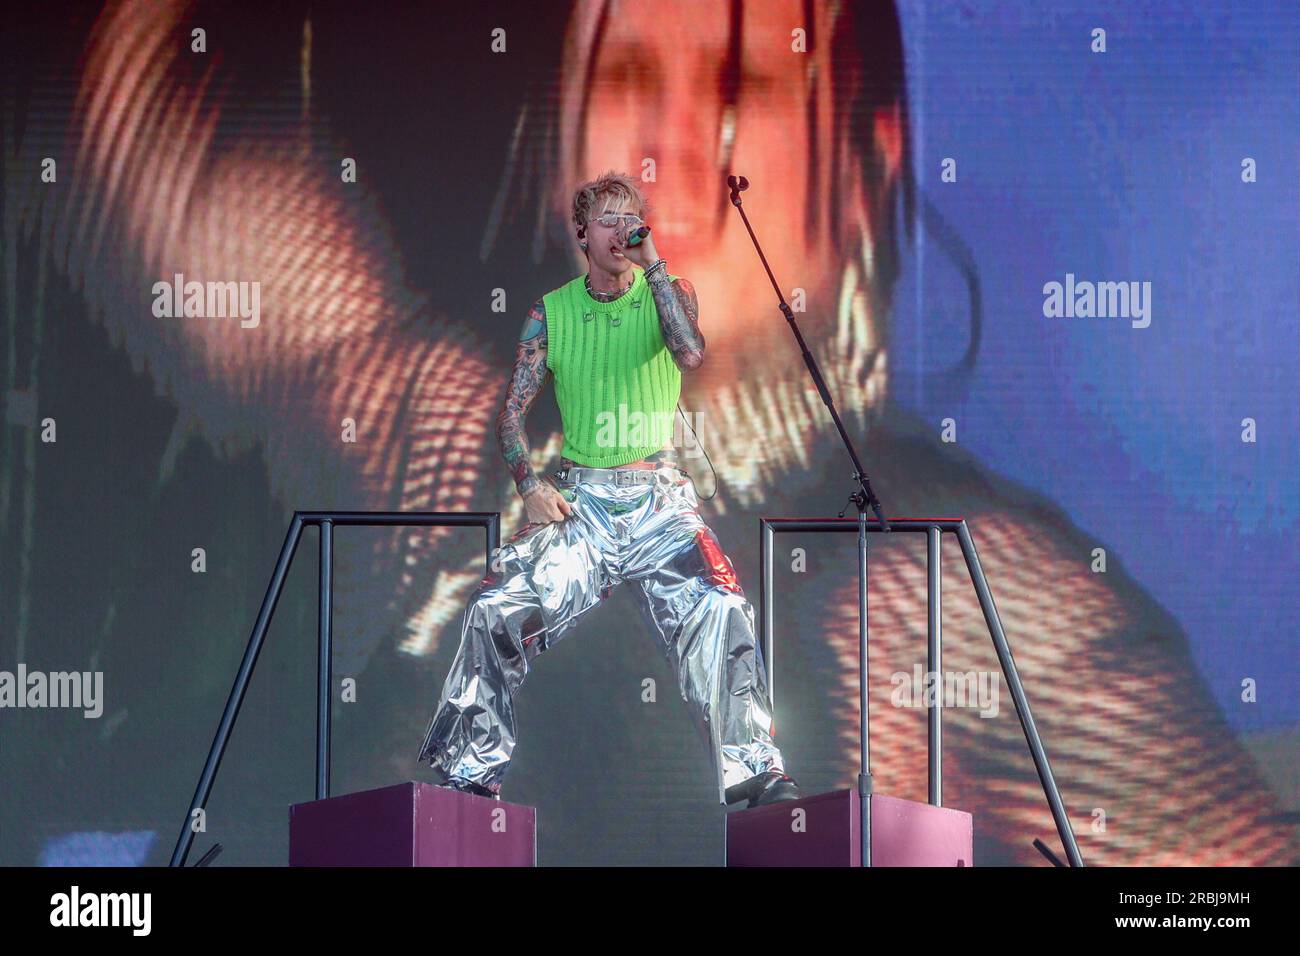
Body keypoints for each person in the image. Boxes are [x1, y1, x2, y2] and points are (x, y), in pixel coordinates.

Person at [418, 172, 801, 808]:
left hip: (660, 503)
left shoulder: (668, 291)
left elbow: (690, 354)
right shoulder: (552, 311)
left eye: (630, 217)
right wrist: (529, 484)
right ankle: (469, 776)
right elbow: (511, 414)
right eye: (606, 219)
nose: (620, 229)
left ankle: (756, 771)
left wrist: (654, 267)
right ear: (582, 235)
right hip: (583, 503)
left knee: (722, 608)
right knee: (497, 607)